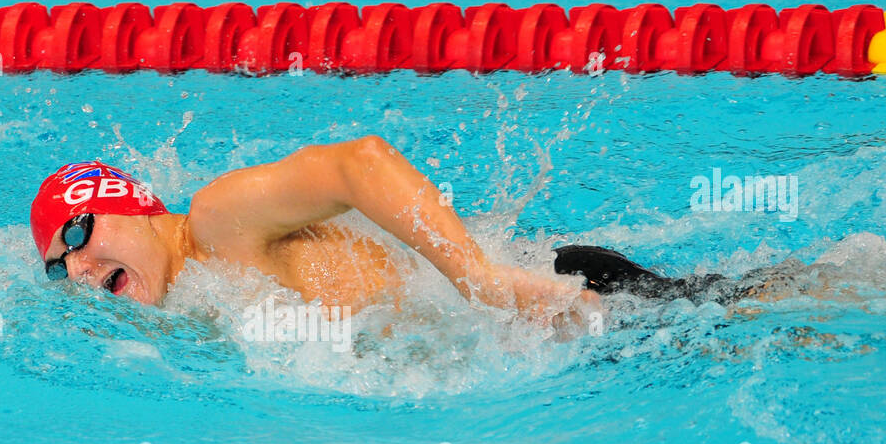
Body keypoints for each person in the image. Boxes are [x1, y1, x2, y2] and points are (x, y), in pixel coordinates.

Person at [31, 137, 614, 330]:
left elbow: (358, 163)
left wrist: (478, 278)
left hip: (559, 295)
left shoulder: (216, 222)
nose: (75, 268)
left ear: (133, 210)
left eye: (76, 235)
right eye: (58, 266)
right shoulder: (189, 298)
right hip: (529, 333)